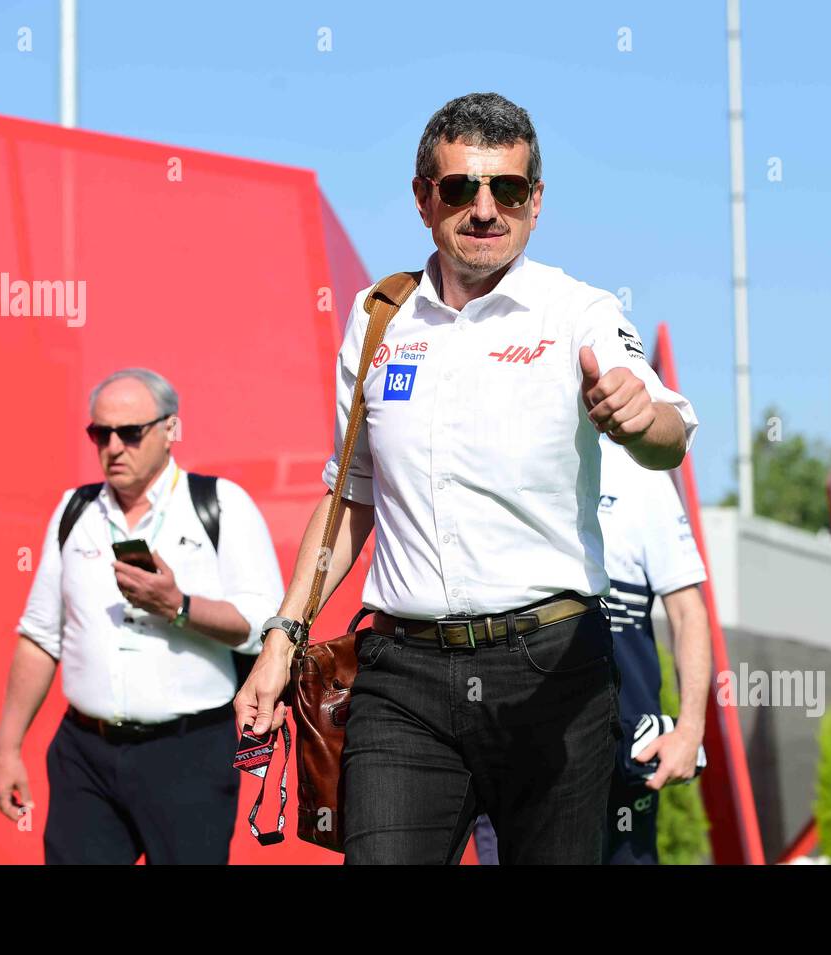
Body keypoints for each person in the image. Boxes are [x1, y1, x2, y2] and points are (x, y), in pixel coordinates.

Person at [235, 92, 698, 865]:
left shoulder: (579, 311)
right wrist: (284, 633)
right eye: (461, 189)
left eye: (507, 190)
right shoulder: (379, 318)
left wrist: (637, 416)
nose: (486, 210)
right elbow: (350, 497)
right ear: (424, 199)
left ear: (536, 201)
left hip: (552, 670)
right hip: (402, 677)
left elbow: (672, 434)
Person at [0, 368, 284, 864]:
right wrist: (7, 749)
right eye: (99, 433)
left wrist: (179, 607)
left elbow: (267, 627)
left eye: (130, 432)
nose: (113, 446)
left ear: (170, 429)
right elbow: (41, 637)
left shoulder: (219, 505)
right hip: (84, 752)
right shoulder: (74, 511)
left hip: (188, 753)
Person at [474, 435, 712, 864]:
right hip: (516, 748)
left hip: (622, 755)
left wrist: (690, 730)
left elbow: (688, 613)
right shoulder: (498, 455)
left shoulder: (640, 476)